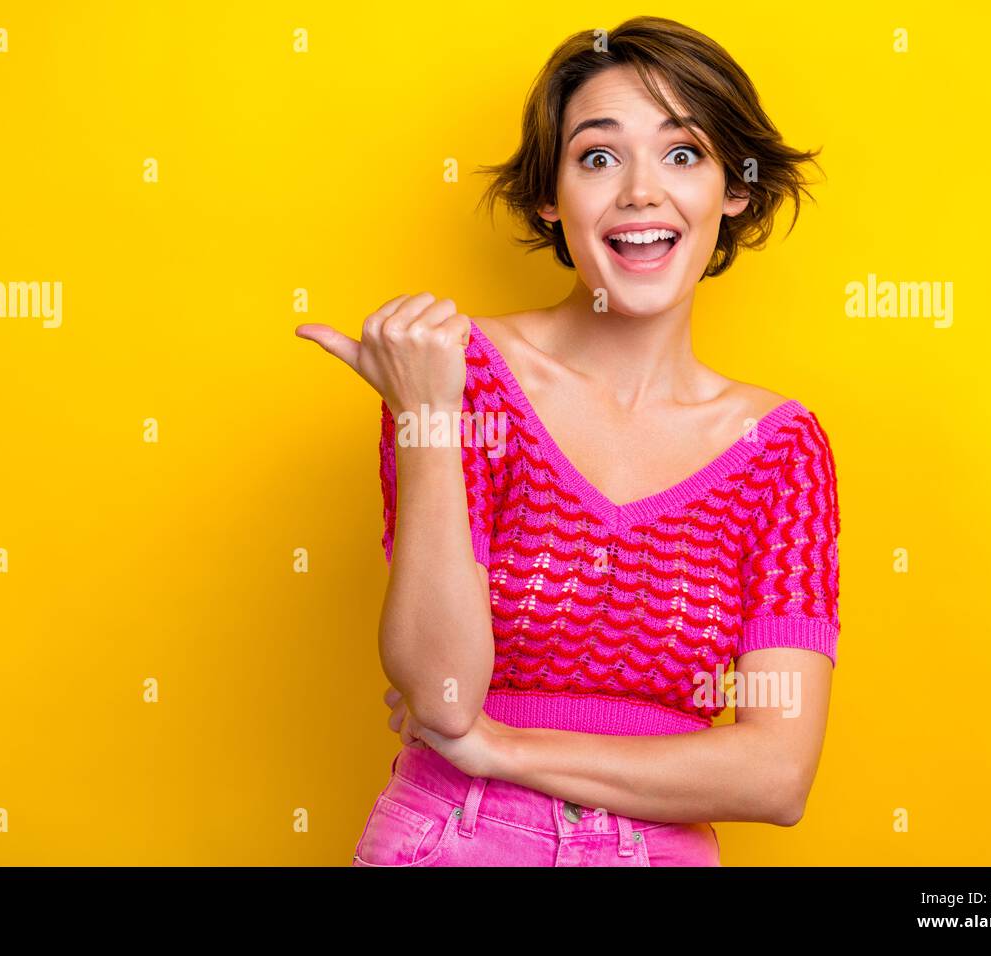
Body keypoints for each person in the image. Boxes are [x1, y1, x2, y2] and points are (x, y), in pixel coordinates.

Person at [296, 15, 839, 867]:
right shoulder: (459, 374)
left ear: (734, 189)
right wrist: (427, 419)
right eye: (597, 157)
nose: (639, 193)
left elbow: (776, 774)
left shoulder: (778, 448)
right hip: (454, 841)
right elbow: (442, 698)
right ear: (552, 198)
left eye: (683, 153)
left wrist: (503, 751)